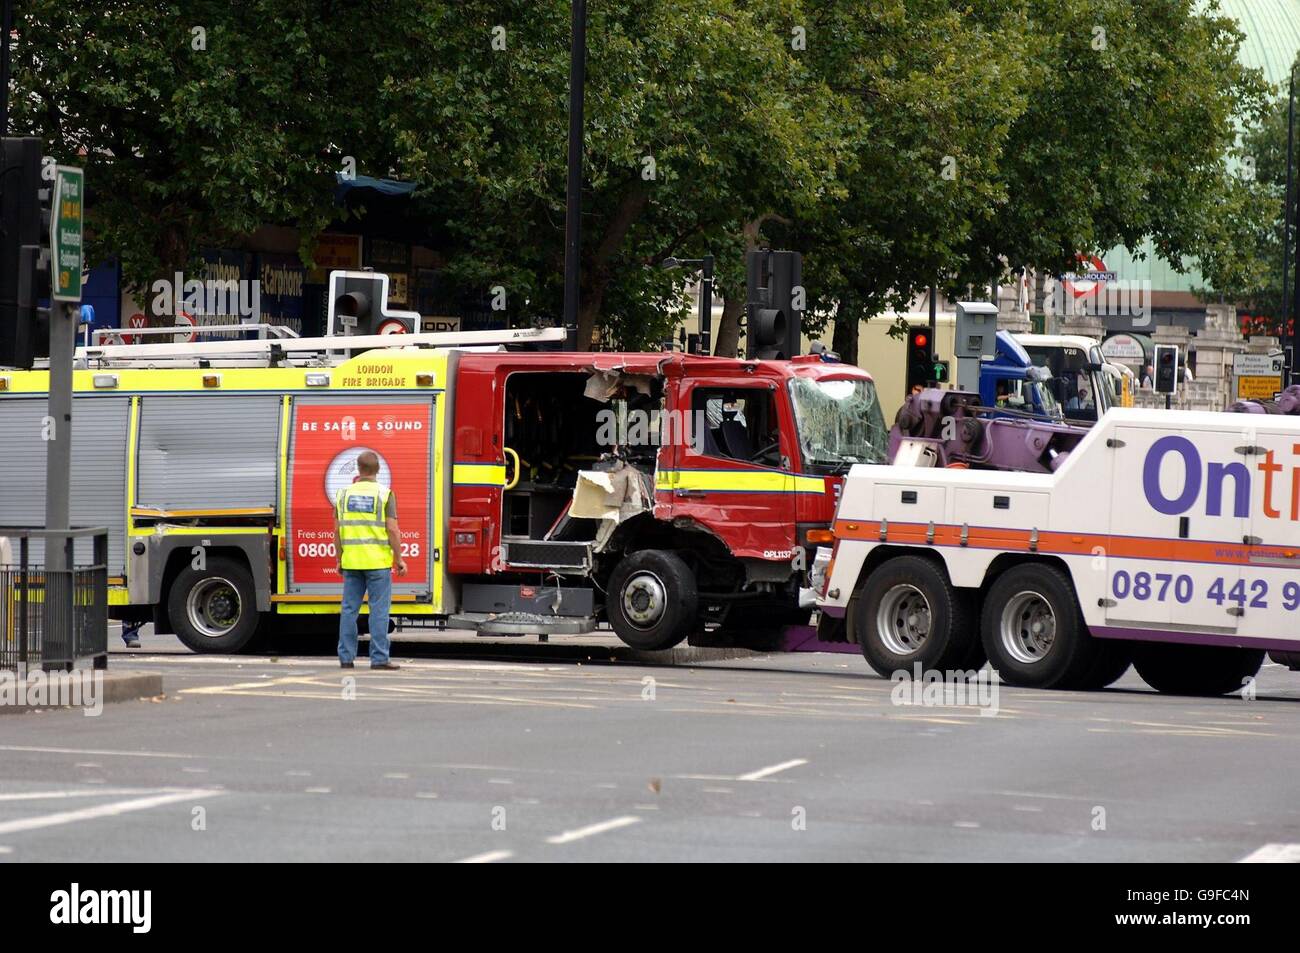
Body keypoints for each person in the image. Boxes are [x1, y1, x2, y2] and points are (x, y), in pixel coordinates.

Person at [334, 451, 408, 669]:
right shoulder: (384, 495)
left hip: (352, 562)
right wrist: (399, 559)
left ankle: (346, 658)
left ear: (358, 469)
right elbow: (392, 530)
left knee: (349, 610)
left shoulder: (343, 495)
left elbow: (336, 532)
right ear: (377, 470)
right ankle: (379, 659)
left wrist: (340, 558)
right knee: (379, 611)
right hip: (377, 564)